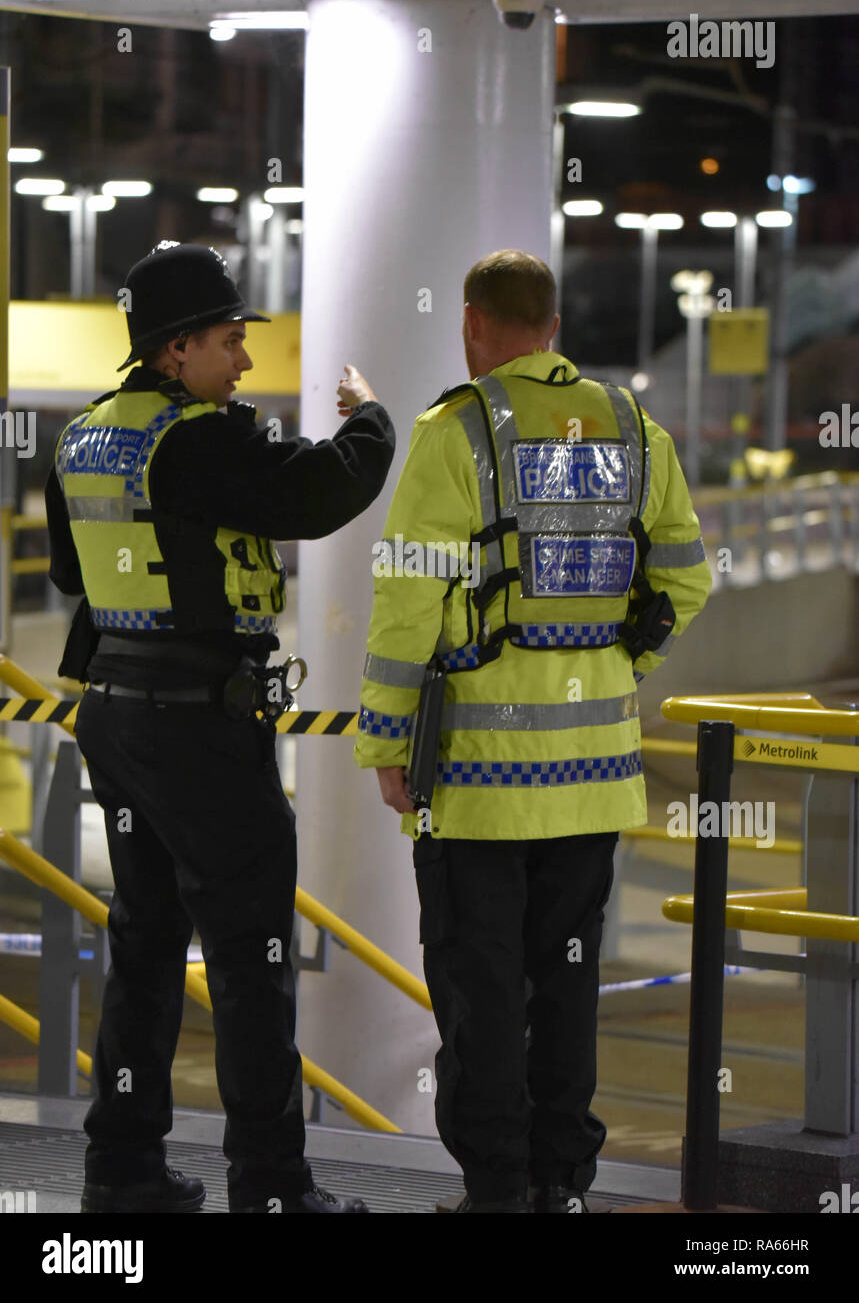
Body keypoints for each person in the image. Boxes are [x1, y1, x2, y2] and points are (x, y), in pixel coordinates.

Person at [355, 249, 712, 1213]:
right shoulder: (633, 427)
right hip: (593, 778)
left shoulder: (455, 431)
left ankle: (498, 1191)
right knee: (564, 990)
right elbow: (685, 578)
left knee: (480, 996)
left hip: (477, 782)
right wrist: (613, 664)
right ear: (550, 330)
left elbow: (407, 602)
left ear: (471, 323)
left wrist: (388, 741)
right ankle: (562, 1184)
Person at [45, 240, 395, 1214]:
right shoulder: (197, 438)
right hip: (200, 725)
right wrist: (371, 417)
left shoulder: (82, 438)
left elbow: (75, 577)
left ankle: (120, 1170)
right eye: (232, 341)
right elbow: (323, 488)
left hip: (114, 716)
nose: (244, 363)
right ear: (176, 349)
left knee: (145, 948)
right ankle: (272, 1186)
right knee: (251, 959)